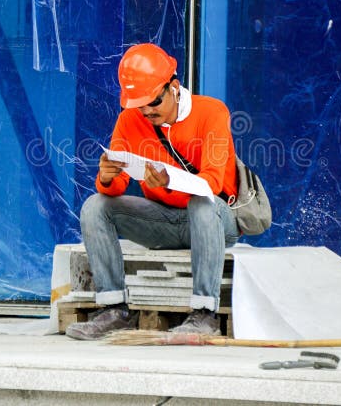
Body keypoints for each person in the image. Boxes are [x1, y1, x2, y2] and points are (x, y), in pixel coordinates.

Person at [66, 43, 240, 340]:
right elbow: (117, 186)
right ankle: (114, 311)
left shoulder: (211, 112)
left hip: (213, 220)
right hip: (162, 220)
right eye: (139, 104)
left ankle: (204, 314)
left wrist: (170, 181)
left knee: (201, 205)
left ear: (173, 87)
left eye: (153, 102)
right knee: (95, 206)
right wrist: (107, 178)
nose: (146, 111)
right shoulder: (129, 120)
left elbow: (211, 183)